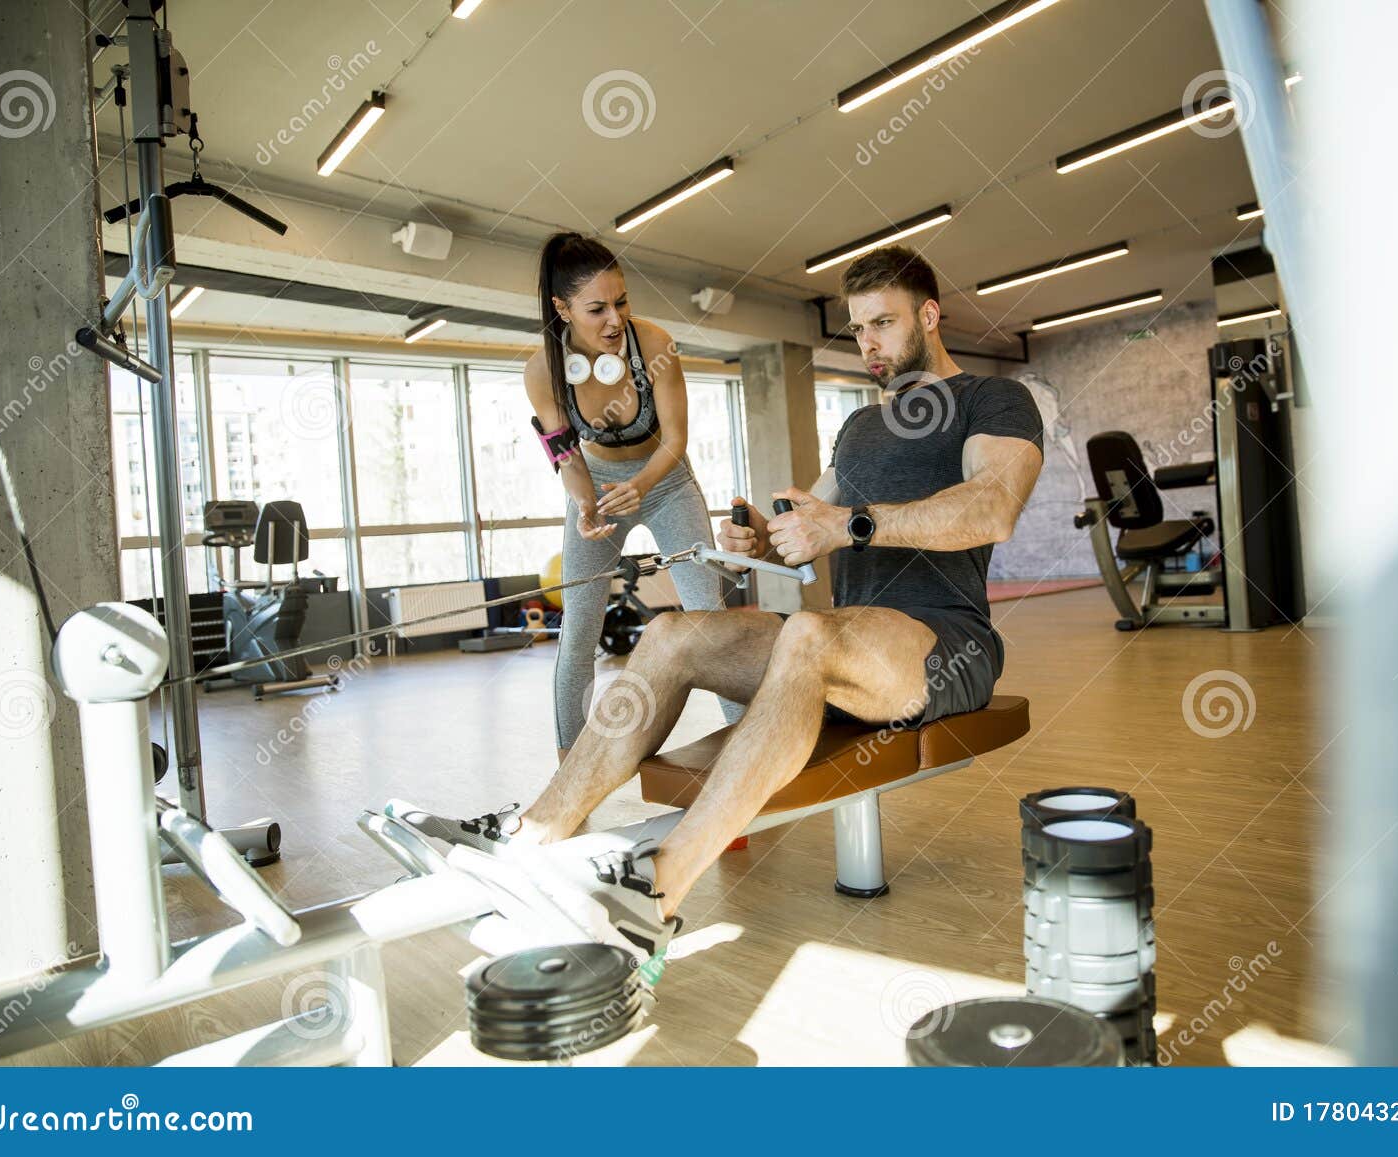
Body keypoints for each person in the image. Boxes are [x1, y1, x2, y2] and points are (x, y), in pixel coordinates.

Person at [447, 244, 1044, 971]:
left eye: (883, 324)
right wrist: (761, 533)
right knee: (670, 633)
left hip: (943, 645)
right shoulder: (859, 427)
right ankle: (534, 834)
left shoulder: (992, 400)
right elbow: (811, 517)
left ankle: (655, 894)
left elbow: (994, 506)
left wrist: (851, 523)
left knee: (809, 635)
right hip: (839, 646)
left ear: (928, 314)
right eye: (857, 329)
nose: (869, 344)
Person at [525, 232, 743, 754]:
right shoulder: (542, 372)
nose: (614, 320)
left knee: (704, 619)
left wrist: (641, 485)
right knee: (577, 633)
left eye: (621, 302)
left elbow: (675, 439)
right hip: (598, 489)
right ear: (562, 308)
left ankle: (745, 746)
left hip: (666, 480)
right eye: (596, 308)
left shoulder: (654, 345)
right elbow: (565, 456)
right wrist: (584, 503)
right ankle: (569, 772)